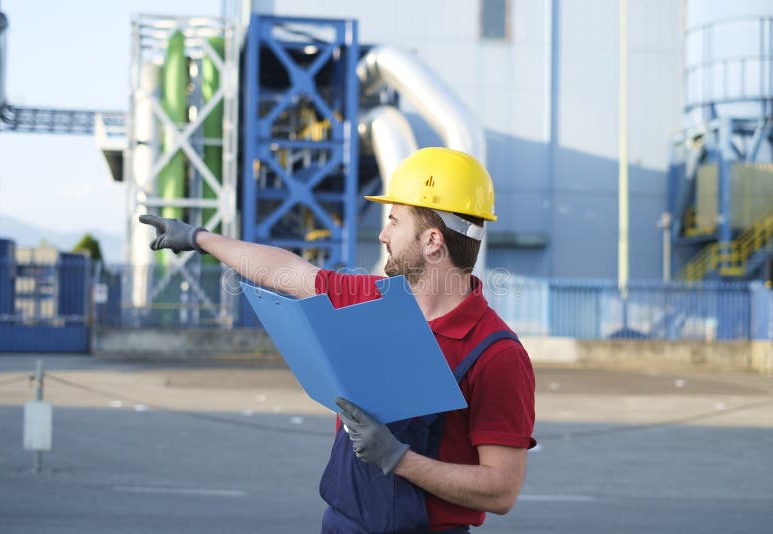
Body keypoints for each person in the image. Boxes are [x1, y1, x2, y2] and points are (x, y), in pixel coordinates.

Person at [140, 147, 536, 533]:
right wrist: (199, 238)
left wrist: (398, 459)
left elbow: (501, 490)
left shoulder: (496, 354)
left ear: (433, 241)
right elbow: (288, 271)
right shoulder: (370, 299)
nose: (383, 234)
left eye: (395, 221)